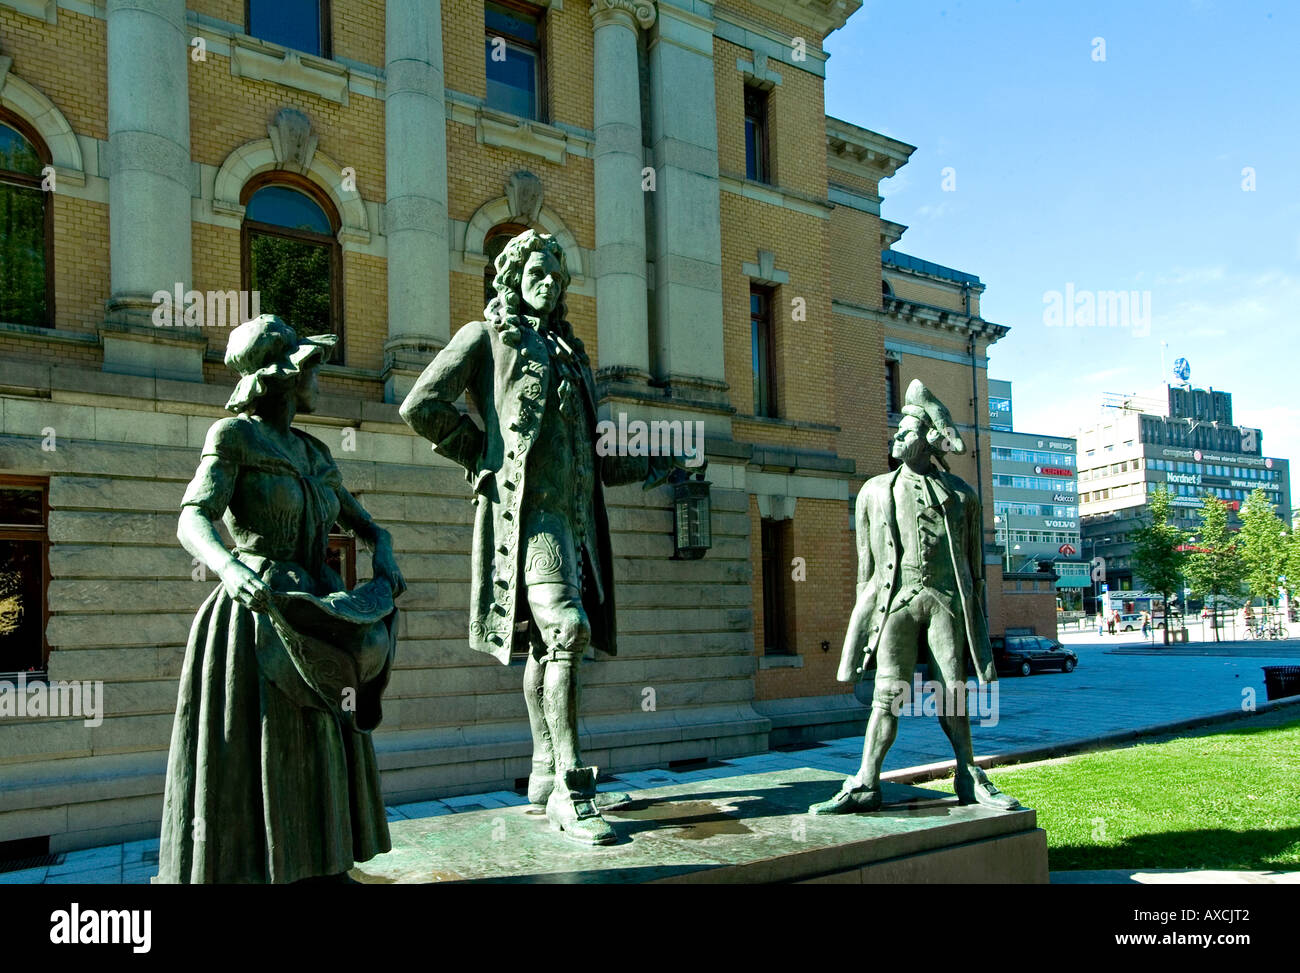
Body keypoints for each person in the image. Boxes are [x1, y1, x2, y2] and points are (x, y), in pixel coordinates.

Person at [400, 230, 683, 845]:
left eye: (557, 274)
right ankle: (570, 789)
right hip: (531, 524)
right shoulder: (484, 339)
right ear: (511, 275)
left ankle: (541, 769)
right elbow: (420, 403)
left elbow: (601, 459)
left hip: (575, 524)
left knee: (543, 647)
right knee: (566, 630)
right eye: (536, 269)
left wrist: (664, 459)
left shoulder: (573, 356)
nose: (549, 281)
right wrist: (485, 456)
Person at [158, 315, 406, 883]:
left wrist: (384, 548)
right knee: (265, 743)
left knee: (323, 733)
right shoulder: (233, 437)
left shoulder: (315, 452)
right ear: (280, 377)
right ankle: (253, 869)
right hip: (257, 609)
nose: (318, 378)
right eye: (310, 368)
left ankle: (325, 864)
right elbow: (193, 516)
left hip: (317, 607)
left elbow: (365, 524)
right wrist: (226, 565)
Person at [810, 380, 1019, 815]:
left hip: (945, 602)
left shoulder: (962, 496)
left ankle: (968, 774)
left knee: (952, 691)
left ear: (926, 439)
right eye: (897, 433)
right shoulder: (873, 491)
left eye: (904, 433)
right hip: (896, 604)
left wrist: (975, 618)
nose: (896, 439)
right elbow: (865, 570)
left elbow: (976, 571)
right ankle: (867, 780)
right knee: (887, 694)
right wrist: (863, 620)